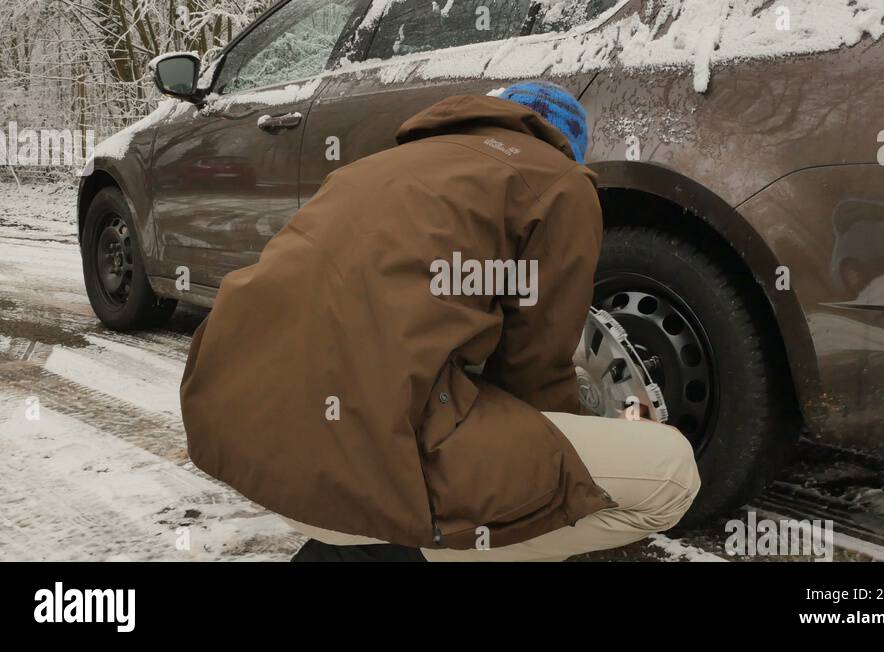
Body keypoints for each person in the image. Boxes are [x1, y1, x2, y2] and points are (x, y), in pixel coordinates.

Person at [180, 81, 700, 562]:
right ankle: (420, 547)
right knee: (672, 477)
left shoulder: (373, 166)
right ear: (566, 146)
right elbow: (534, 372)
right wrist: (569, 447)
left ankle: (368, 540)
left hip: (236, 435)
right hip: (363, 466)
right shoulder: (560, 183)